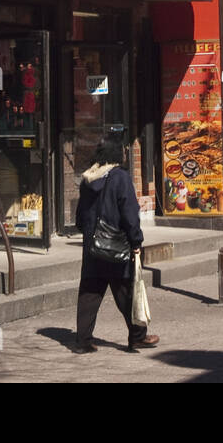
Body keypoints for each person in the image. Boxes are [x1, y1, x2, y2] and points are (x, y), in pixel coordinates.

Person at [73, 140, 158, 353]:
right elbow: (129, 213)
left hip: (93, 246)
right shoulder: (120, 177)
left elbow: (80, 216)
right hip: (116, 244)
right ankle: (138, 336)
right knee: (127, 291)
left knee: (90, 293)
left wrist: (89, 234)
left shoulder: (87, 179)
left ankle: (83, 341)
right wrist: (136, 240)